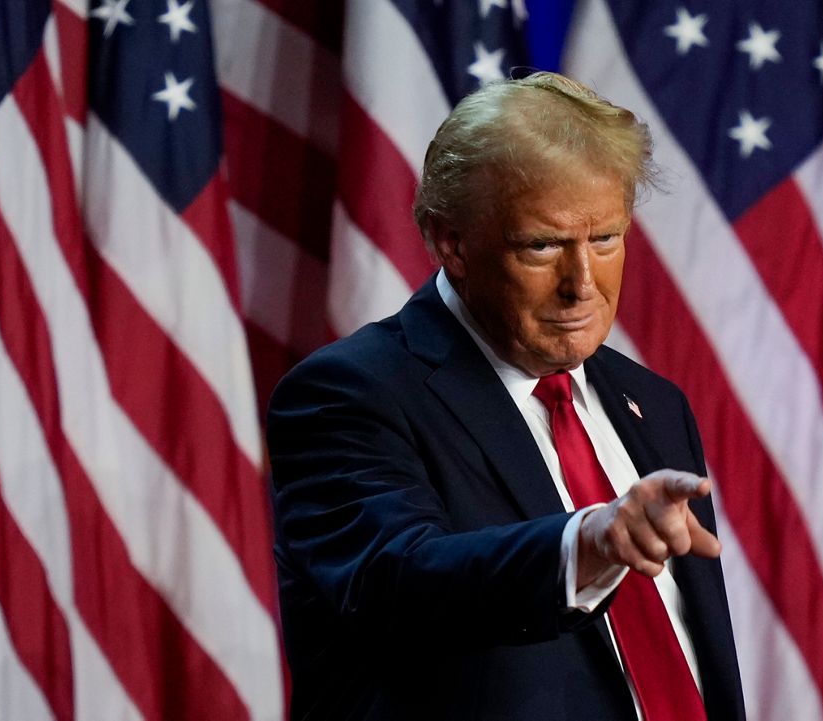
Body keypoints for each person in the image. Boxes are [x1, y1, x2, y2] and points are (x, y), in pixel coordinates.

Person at [267, 72, 746, 720]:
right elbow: (400, 582)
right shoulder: (349, 393)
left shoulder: (653, 403)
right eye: (543, 245)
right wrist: (591, 541)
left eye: (604, 238)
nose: (582, 284)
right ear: (452, 243)